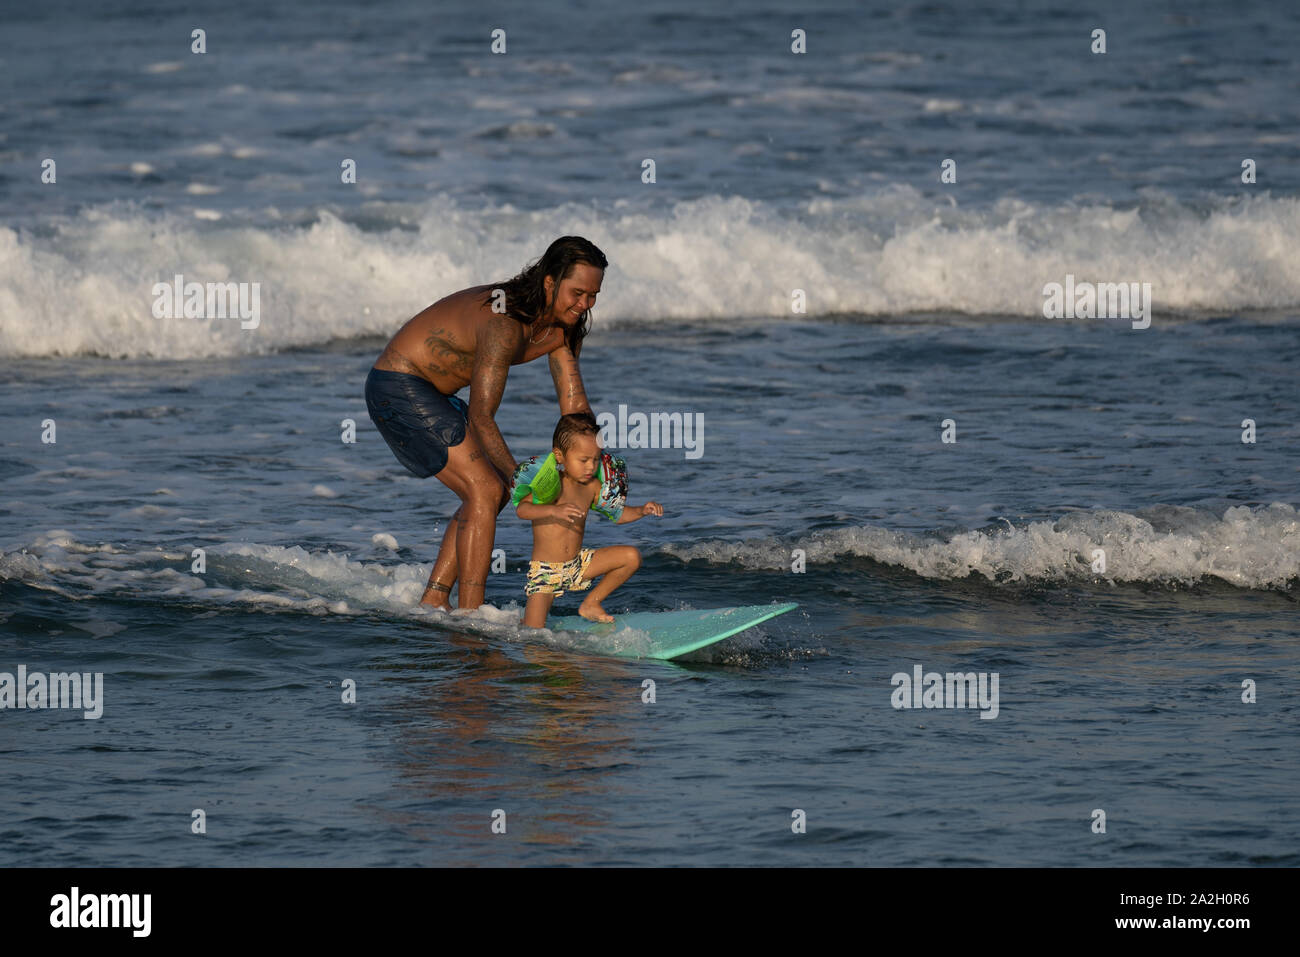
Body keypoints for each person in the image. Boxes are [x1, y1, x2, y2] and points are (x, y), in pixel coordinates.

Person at [365, 236, 607, 610]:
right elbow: (481, 416)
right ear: (549, 281)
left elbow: (574, 407)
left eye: (593, 295)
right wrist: (521, 478)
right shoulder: (504, 323)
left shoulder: (564, 325)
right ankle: (470, 615)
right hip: (397, 386)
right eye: (577, 293)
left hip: (437, 396)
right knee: (488, 489)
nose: (585, 305)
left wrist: (595, 462)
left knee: (491, 491)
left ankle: (435, 599)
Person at [515, 413, 662, 628]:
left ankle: (591, 603)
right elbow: (523, 509)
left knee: (631, 556)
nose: (590, 467)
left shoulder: (592, 487)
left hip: (577, 565)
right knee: (532, 636)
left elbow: (618, 515)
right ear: (560, 456)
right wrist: (553, 511)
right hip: (546, 573)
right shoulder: (551, 485)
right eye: (583, 460)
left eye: (595, 459)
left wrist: (642, 510)